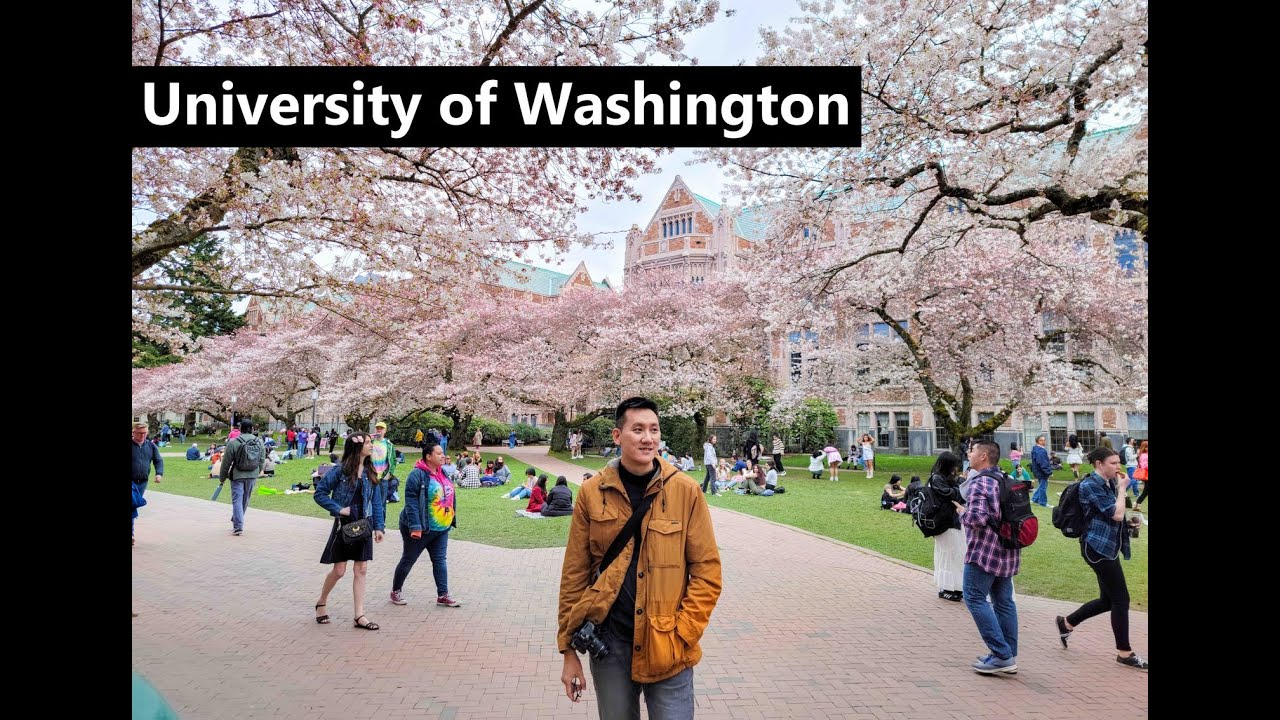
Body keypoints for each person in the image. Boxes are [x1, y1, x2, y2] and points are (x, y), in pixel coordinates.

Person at [557, 397, 722, 719]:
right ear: (618, 436)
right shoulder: (592, 493)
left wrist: (683, 632)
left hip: (668, 644)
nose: (647, 438)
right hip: (609, 645)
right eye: (637, 429)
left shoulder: (685, 491)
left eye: (653, 430)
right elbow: (575, 573)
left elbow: (708, 572)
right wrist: (568, 649)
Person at [1055, 446, 1148, 671]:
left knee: (1108, 600)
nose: (1119, 467)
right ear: (1099, 464)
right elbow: (1115, 513)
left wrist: (1128, 524)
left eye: (1118, 462)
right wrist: (1123, 489)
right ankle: (1124, 653)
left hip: (1108, 546)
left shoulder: (1108, 483)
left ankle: (1067, 622)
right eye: (1113, 463)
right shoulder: (1089, 486)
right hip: (1096, 548)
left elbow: (1112, 517)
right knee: (1121, 599)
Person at [954, 440, 1021, 674]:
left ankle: (1002, 654)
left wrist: (963, 513)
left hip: (985, 551)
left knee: (974, 598)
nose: (968, 454)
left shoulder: (980, 482)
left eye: (972, 451)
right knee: (1004, 602)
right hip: (1008, 548)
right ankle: (1008, 654)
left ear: (983, 456)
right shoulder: (1005, 478)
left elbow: (978, 519)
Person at [312, 433, 387, 630]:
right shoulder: (340, 471)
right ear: (357, 446)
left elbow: (376, 501)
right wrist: (338, 509)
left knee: (361, 569)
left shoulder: (371, 471)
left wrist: (379, 526)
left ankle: (359, 615)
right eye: (369, 442)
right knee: (339, 570)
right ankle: (321, 602)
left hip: (364, 523)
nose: (371, 445)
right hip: (345, 523)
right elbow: (320, 493)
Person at [389, 441, 461, 609]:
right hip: (421, 528)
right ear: (428, 456)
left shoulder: (442, 472)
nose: (443, 456)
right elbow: (411, 503)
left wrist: (450, 518)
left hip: (441, 528)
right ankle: (396, 590)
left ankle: (443, 595)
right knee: (409, 559)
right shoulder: (417, 475)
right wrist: (415, 527)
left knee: (440, 560)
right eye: (438, 453)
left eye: (443, 453)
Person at [922, 451, 964, 601]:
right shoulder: (937, 479)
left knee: (958, 554)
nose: (955, 469)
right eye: (953, 466)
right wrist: (961, 489)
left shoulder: (949, 479)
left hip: (955, 521)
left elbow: (958, 493)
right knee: (947, 554)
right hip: (945, 522)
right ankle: (945, 587)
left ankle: (957, 586)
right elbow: (951, 495)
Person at [219, 419, 265, 536]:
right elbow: (261, 460)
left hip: (237, 475)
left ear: (240, 429)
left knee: (237, 500)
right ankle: (237, 520)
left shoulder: (234, 442)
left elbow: (226, 463)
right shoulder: (259, 442)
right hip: (252, 475)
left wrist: (222, 478)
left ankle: (238, 525)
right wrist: (257, 472)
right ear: (252, 429)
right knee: (245, 499)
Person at [132, 422, 165, 545]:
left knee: (134, 505)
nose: (142, 436)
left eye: (145, 433)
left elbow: (158, 461)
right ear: (133, 432)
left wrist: (159, 474)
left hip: (142, 482)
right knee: (132, 504)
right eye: (140, 433)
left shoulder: (151, 446)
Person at [1030, 435, 1053, 507]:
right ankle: (1043, 502)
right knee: (1043, 487)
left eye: (1044, 440)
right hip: (1041, 472)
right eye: (1041, 440)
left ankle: (1034, 499)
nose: (1043, 442)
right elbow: (1043, 463)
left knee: (1041, 485)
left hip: (1038, 471)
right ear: (1037, 441)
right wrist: (1049, 472)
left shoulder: (1036, 449)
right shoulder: (1040, 451)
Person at [1133, 441, 1149, 511]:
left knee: (1145, 492)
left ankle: (1136, 505)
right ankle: (1136, 504)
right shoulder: (1144, 455)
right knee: (1145, 491)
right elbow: (1144, 466)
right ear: (1145, 448)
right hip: (1146, 475)